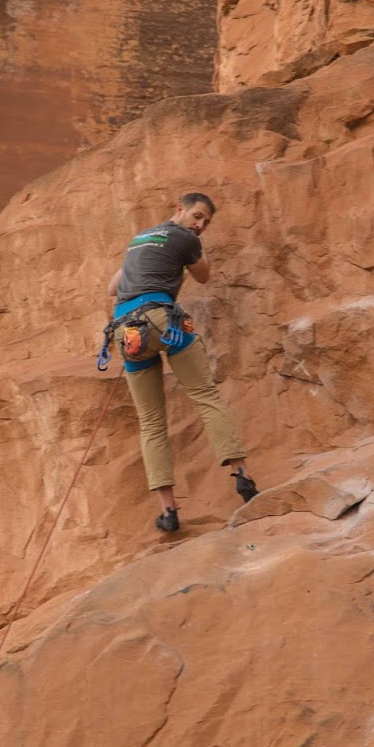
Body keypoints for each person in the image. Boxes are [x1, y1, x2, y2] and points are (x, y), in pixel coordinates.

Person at [105, 192, 258, 533]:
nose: (200, 225)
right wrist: (187, 254)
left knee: (151, 422)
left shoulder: (138, 239)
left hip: (126, 332)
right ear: (180, 209)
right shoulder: (185, 237)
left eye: (205, 222)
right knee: (205, 396)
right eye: (198, 216)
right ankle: (244, 477)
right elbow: (203, 275)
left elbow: (112, 287)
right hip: (162, 320)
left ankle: (168, 512)